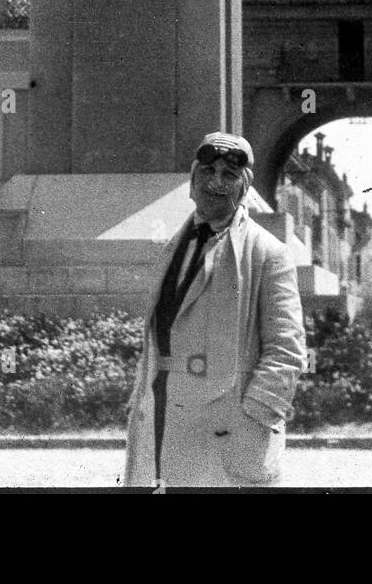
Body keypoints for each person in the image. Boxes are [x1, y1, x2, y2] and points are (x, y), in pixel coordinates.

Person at [122, 133, 306, 488]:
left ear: (244, 187)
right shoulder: (173, 247)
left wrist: (252, 417)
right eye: (208, 171)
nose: (216, 183)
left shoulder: (269, 254)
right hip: (164, 421)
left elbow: (287, 349)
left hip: (225, 434)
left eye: (229, 175)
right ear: (192, 181)